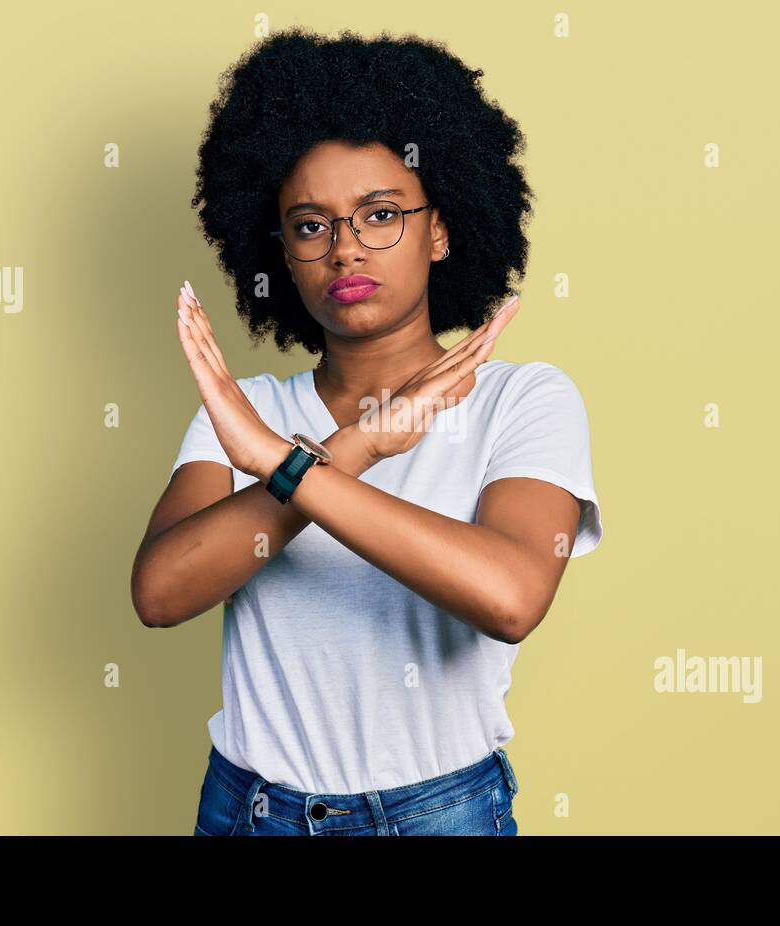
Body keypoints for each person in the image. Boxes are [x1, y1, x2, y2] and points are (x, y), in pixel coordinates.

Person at [131, 27, 602, 836]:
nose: (346, 247)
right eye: (311, 225)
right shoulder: (247, 413)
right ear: (279, 250)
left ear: (442, 230)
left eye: (381, 214)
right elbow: (161, 592)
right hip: (249, 811)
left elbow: (513, 596)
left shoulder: (523, 402)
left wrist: (287, 469)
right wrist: (355, 448)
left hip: (438, 816)